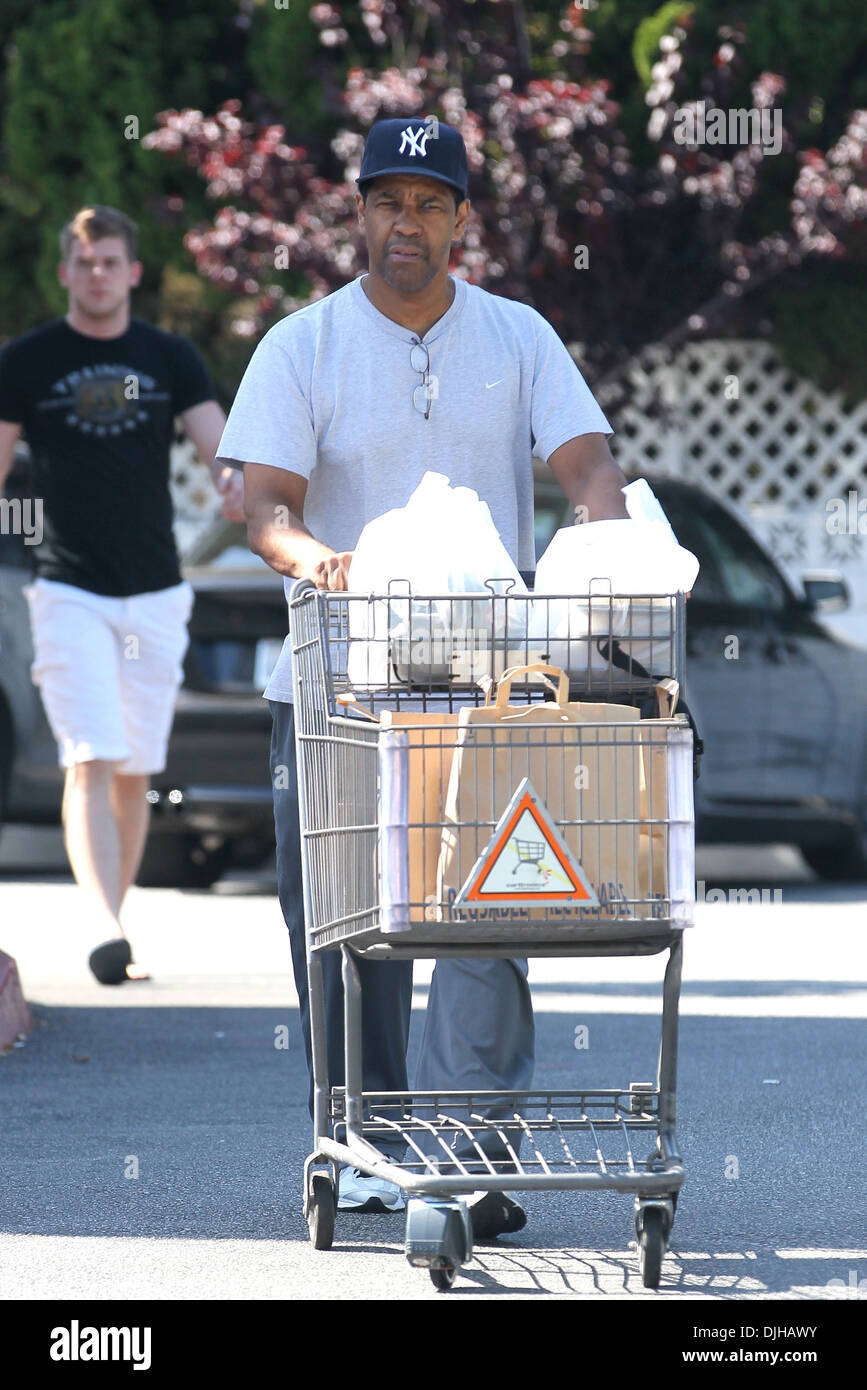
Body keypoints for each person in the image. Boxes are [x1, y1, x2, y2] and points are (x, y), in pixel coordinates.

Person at [217, 118, 629, 1238]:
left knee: (486, 904)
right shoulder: (303, 345)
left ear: (460, 221)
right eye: (388, 201)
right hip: (340, 678)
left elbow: (588, 464)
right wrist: (327, 565)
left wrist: (614, 545)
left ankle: (468, 1147)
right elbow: (266, 509)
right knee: (351, 922)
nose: (409, 222)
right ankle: (362, 1145)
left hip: (486, 686)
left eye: (431, 202)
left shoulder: (519, 334)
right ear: (359, 214)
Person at [0, 205, 244, 984]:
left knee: (135, 767)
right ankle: (105, 928)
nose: (97, 275)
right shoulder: (28, 360)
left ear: (131, 271)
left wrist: (241, 488)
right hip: (68, 589)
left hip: (156, 594)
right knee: (91, 756)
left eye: (110, 262)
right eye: (84, 263)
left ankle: (119, 914)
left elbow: (222, 453)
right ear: (65, 272)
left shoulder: (168, 357)